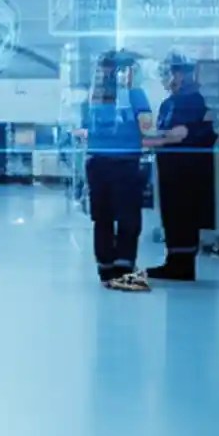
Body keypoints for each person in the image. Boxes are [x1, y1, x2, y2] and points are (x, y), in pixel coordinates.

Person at [75, 50, 156, 292]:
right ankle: (123, 268)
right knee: (127, 217)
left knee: (103, 217)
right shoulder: (134, 95)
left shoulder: (93, 99)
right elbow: (147, 126)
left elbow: (82, 131)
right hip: (125, 164)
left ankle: (107, 268)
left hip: (98, 163)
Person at [142, 52, 217, 281]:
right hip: (170, 167)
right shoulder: (169, 104)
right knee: (172, 215)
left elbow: (179, 134)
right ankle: (174, 260)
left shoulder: (192, 101)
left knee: (184, 214)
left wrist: (155, 138)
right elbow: (168, 134)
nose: (166, 79)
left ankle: (182, 265)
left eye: (170, 73)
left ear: (181, 74)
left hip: (186, 169)